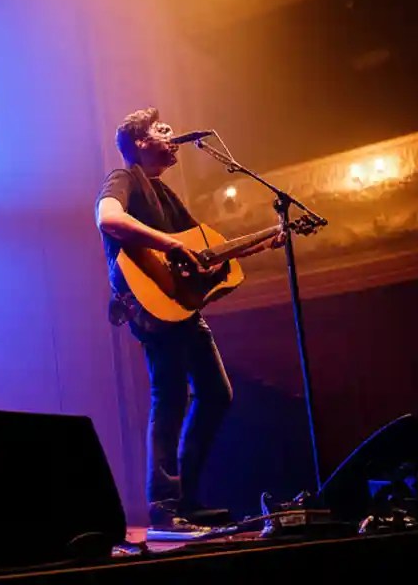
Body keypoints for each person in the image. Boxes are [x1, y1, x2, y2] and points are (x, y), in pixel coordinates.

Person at [94, 107, 282, 533]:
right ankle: (164, 505)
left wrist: (264, 240)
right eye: (164, 132)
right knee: (170, 396)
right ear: (140, 142)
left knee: (216, 393)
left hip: (178, 305)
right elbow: (108, 219)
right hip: (150, 306)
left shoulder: (166, 196)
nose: (174, 137)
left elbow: (204, 249)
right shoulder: (123, 179)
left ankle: (187, 498)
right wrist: (168, 245)